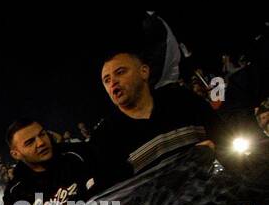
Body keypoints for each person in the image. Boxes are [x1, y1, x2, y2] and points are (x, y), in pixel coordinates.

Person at [92, 50, 220, 191]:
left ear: (144, 72)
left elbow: (225, 139)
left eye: (120, 72)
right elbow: (116, 194)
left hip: (215, 199)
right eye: (107, 80)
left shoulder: (184, 100)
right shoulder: (105, 137)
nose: (113, 82)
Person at [0, 119, 95, 205]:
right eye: (30, 142)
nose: (41, 143)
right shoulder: (16, 188)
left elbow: (111, 185)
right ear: (16, 154)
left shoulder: (77, 155)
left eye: (42, 134)